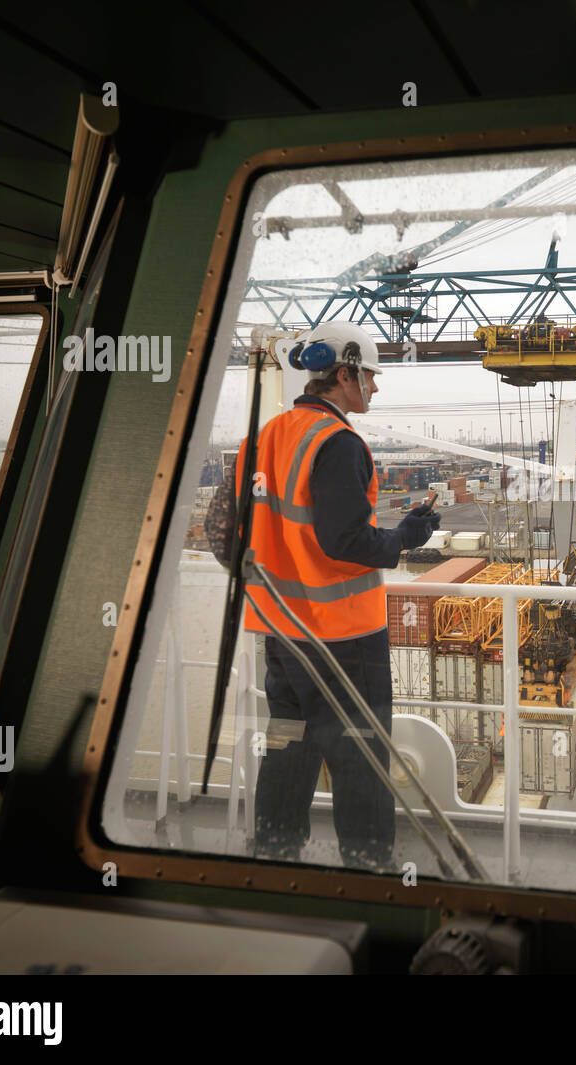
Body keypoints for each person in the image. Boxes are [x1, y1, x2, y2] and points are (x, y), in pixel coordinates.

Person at [216, 322, 439, 869]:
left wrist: (272, 582)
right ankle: (368, 872)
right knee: (360, 757)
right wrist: (408, 536)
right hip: (344, 639)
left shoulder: (263, 437)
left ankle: (274, 856)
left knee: (289, 749)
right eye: (370, 378)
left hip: (280, 631)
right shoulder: (337, 443)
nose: (375, 389)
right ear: (344, 375)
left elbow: (224, 535)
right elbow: (344, 543)